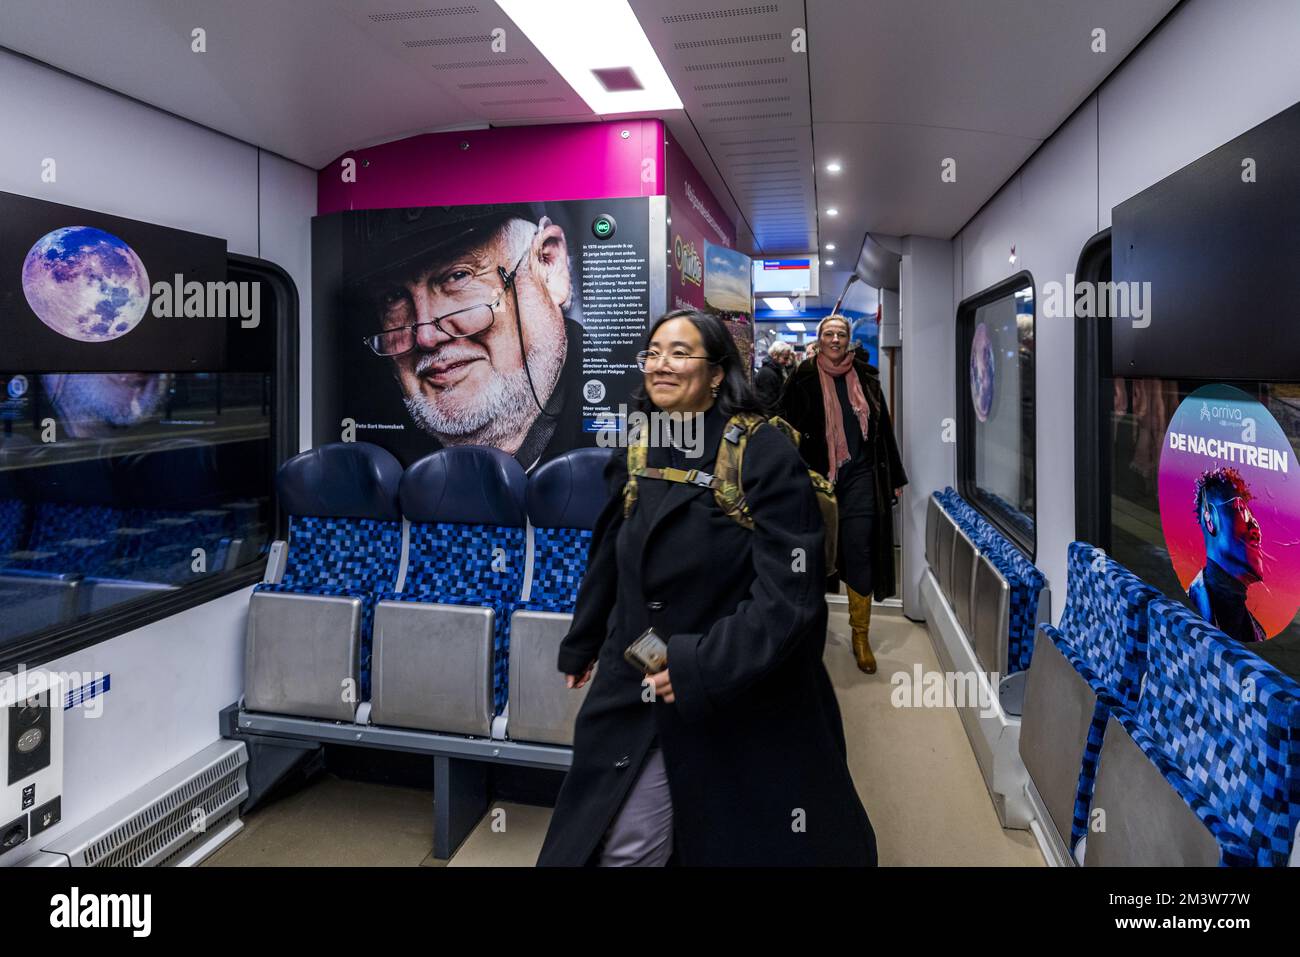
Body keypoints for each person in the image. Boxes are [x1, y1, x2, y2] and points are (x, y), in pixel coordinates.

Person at [537, 308, 877, 867]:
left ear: (717, 372)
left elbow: (791, 595)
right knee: (616, 840)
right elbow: (612, 549)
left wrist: (701, 666)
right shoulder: (641, 443)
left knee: (722, 836)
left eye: (679, 353)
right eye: (653, 353)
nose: (660, 364)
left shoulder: (762, 451)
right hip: (636, 671)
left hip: (736, 685)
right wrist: (584, 639)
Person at [352, 204, 585, 469]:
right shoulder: (376, 465)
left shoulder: (616, 444)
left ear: (548, 265)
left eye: (458, 276)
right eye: (393, 297)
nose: (426, 337)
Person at [778, 314, 907, 674]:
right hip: (815, 481)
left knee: (859, 550)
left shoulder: (866, 378)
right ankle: (808, 632)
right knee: (812, 556)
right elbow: (782, 427)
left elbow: (882, 431)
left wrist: (894, 476)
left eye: (841, 334)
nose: (835, 339)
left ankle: (860, 635)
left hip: (860, 477)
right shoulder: (801, 378)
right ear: (819, 340)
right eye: (829, 334)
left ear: (849, 340)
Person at [1187, 466, 1266, 643]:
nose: (1256, 529)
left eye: (1253, 518)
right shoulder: (1185, 612)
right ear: (1210, 519)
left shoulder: (1257, 632)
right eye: (1242, 510)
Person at [754, 339, 795, 412]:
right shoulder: (767, 374)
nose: (786, 362)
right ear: (775, 355)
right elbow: (768, 403)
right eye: (785, 358)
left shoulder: (775, 371)